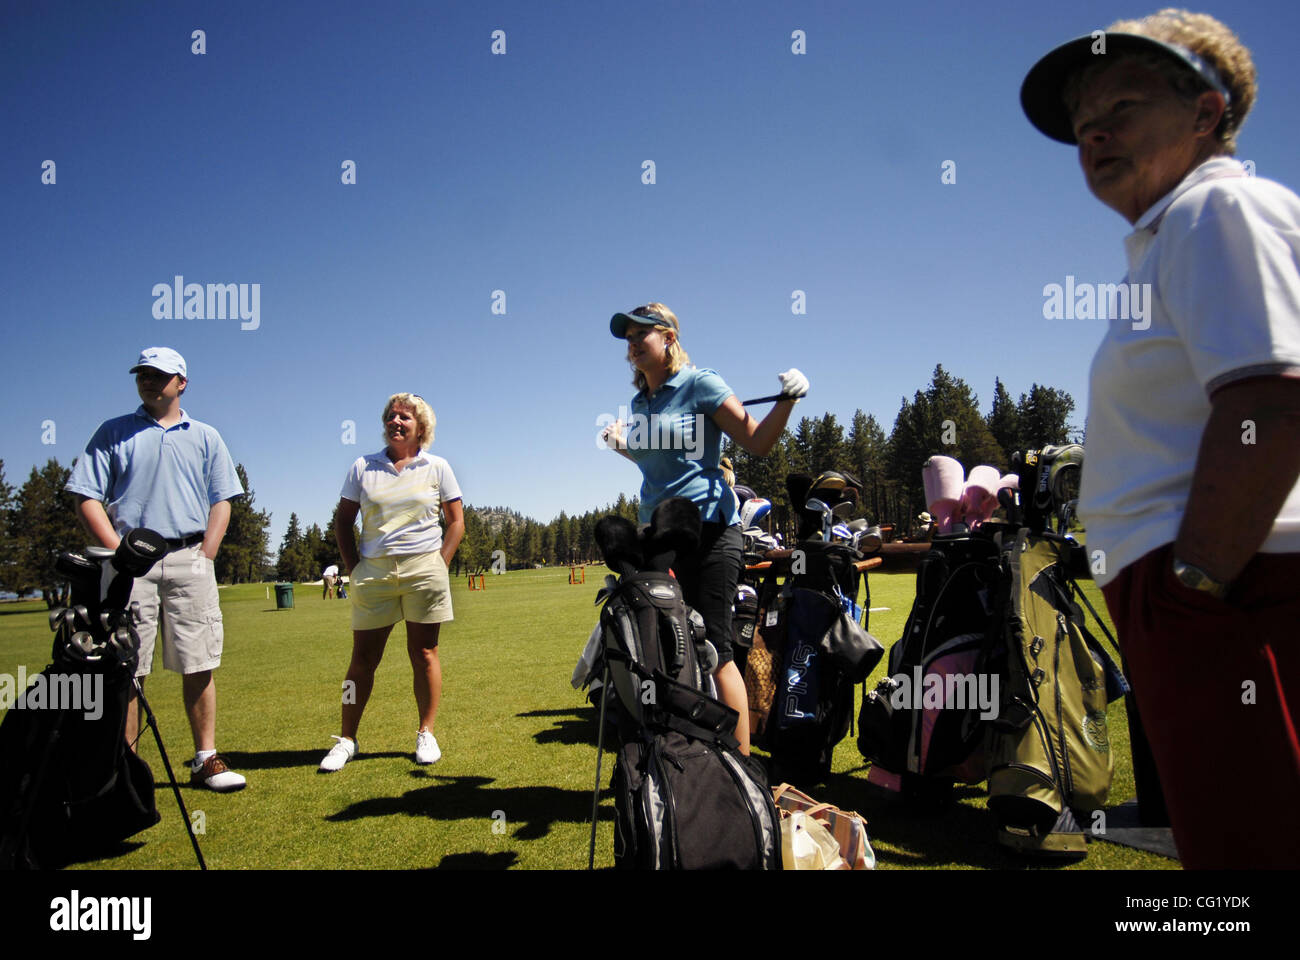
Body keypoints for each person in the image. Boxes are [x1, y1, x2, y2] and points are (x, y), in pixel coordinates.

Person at [1021, 9, 1300, 868]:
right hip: (1204, 590)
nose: (1094, 134)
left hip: (1235, 589)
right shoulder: (1173, 234)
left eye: (1124, 107)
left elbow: (1273, 400)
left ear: (1207, 113)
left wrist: (1193, 583)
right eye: (1082, 125)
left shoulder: (1217, 209)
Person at [602, 303, 807, 755]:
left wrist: (787, 401)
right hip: (658, 536)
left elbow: (757, 441)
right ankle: (680, 752)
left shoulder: (700, 383)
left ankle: (741, 768)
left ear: (669, 338)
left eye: (643, 334)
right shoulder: (641, 402)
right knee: (661, 647)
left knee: (715, 648)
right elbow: (659, 464)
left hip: (712, 531)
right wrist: (623, 445)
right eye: (628, 338)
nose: (633, 344)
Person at [65, 347, 247, 792]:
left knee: (198, 660)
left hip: (189, 558)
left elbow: (222, 498)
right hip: (129, 565)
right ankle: (126, 769)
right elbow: (86, 496)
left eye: (159, 375)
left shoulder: (205, 436)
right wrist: (119, 550)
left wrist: (209, 550)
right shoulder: (113, 432)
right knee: (128, 666)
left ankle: (205, 759)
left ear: (181, 382)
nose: (148, 381)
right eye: (142, 374)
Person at [319, 393, 464, 772]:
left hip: (424, 571)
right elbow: (343, 522)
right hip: (374, 573)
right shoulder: (362, 466)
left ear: (421, 427)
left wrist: (439, 563)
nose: (396, 422)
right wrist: (354, 568)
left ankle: (426, 733)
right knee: (362, 660)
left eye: (405, 417)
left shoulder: (438, 466)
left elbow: (456, 521)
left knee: (425, 653)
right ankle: (347, 738)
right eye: (391, 416)